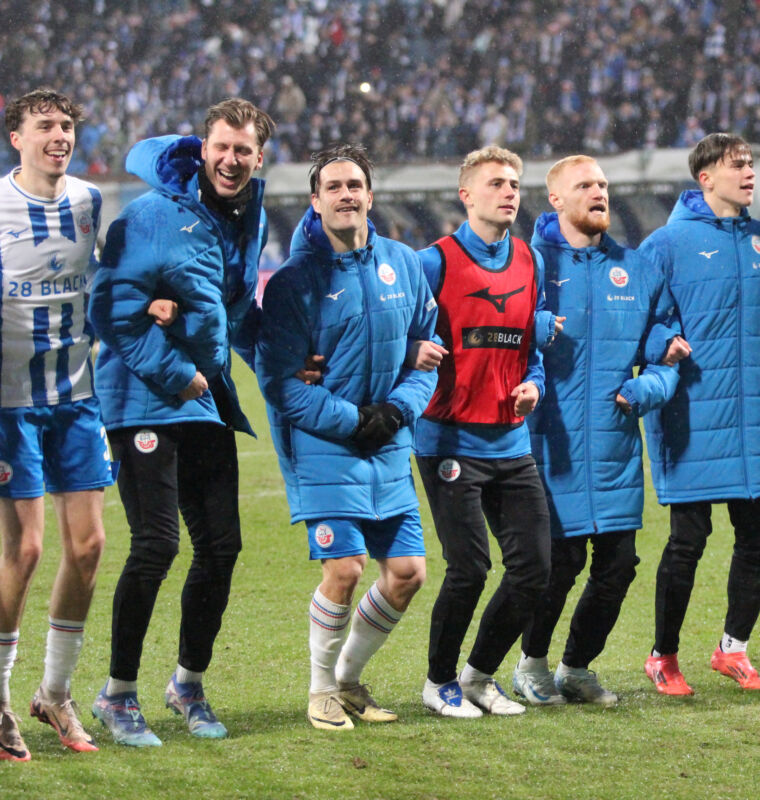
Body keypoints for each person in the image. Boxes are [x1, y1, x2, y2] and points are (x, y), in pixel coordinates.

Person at [87, 98, 275, 745]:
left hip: (205, 398)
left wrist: (284, 365)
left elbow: (235, 313)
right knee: (157, 544)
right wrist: (175, 372)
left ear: (258, 157)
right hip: (143, 395)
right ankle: (117, 695)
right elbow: (110, 308)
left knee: (222, 547)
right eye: (222, 146)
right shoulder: (149, 214)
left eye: (243, 150)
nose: (231, 159)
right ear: (203, 148)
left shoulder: (246, 217)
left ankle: (187, 684)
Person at [257, 144, 439, 730]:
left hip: (388, 442)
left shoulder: (403, 264)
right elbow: (281, 385)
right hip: (325, 445)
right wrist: (353, 420)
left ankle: (348, 680)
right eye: (333, 187)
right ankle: (320, 692)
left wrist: (396, 411)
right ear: (315, 202)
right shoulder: (293, 282)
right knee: (346, 570)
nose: (345, 195)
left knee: (408, 572)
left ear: (370, 195)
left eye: (354, 184)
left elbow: (429, 352)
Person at [511, 155, 682, 707]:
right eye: (584, 184)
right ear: (556, 199)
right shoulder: (530, 265)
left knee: (618, 566)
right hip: (548, 443)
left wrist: (643, 389)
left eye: (603, 184)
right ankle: (531, 664)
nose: (598, 192)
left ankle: (576, 667)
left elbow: (667, 354)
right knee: (556, 567)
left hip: (613, 443)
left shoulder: (637, 269)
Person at [415, 145, 557, 718]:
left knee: (536, 569)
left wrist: (534, 386)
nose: (508, 192)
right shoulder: (434, 262)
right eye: (496, 183)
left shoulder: (530, 260)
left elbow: (530, 349)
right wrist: (412, 351)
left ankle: (478, 676)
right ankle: (438, 681)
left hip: (511, 441)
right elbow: (401, 337)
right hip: (450, 442)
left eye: (514, 184)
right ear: (466, 195)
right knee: (470, 568)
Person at [639, 133, 760, 696]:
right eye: (736, 165)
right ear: (705, 178)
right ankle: (663, 656)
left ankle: (733, 649)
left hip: (754, 416)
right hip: (693, 414)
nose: (748, 173)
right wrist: (664, 341)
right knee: (687, 543)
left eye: (750, 163)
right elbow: (641, 319)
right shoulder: (666, 244)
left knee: (759, 541)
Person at [0, 89, 111, 760]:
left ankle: (55, 693)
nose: (59, 135)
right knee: (26, 551)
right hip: (9, 405)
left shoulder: (90, 202)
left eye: (66, 125)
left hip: (77, 399)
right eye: (44, 125)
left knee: (89, 546)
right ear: (17, 138)